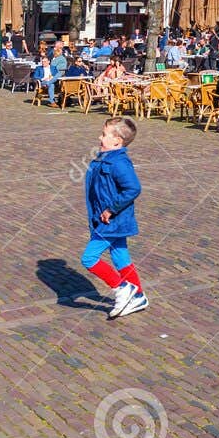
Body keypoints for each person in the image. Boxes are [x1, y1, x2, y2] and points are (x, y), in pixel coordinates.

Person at [81, 116, 150, 319]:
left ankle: (122, 288)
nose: (99, 137)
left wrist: (111, 210)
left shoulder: (118, 162)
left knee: (89, 258)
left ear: (117, 141)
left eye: (104, 135)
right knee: (120, 256)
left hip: (111, 220)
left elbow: (133, 188)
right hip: (106, 219)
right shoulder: (106, 157)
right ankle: (137, 296)